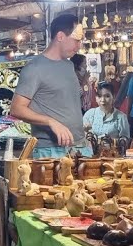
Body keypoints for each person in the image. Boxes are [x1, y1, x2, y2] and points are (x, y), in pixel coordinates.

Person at [10, 13, 90, 158]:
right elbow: (16, 109)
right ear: (60, 36)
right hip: (50, 151)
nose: (79, 46)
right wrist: (50, 122)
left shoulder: (69, 65)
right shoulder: (34, 68)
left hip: (79, 147)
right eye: (76, 40)